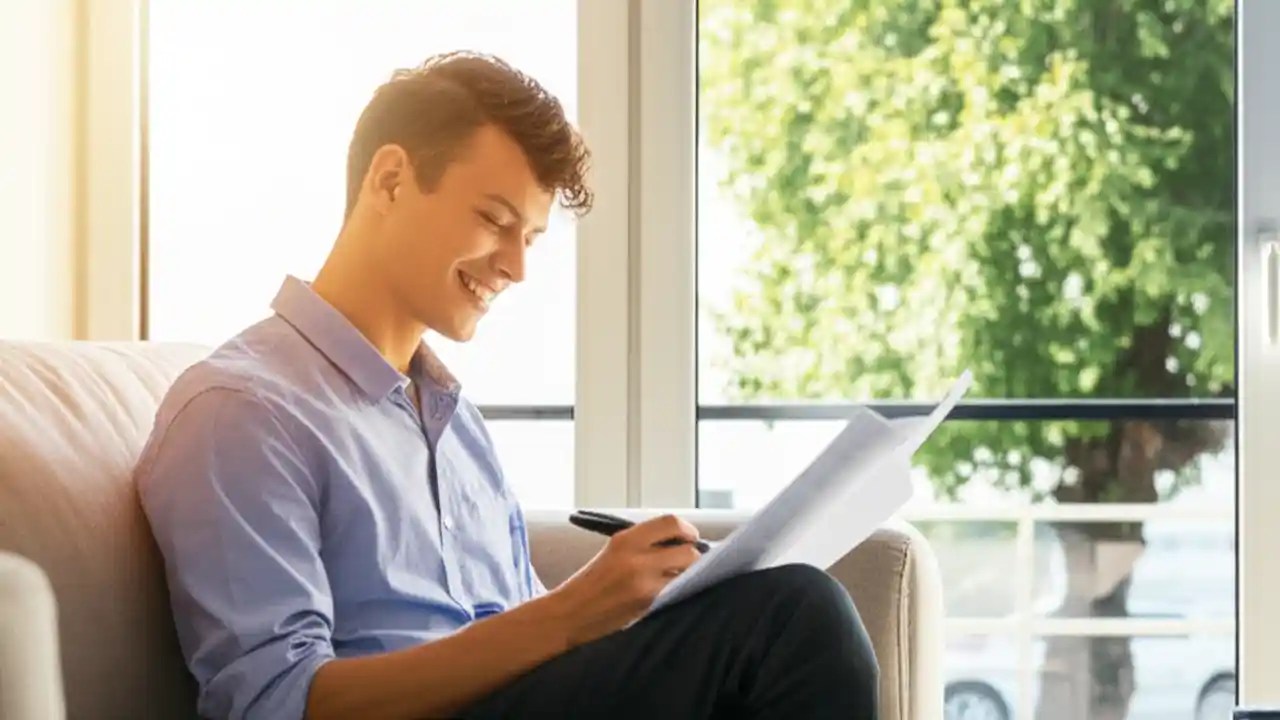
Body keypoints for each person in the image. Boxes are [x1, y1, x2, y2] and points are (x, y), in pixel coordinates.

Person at [135, 51, 879, 720]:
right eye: (495, 220)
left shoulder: (454, 423)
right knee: (793, 618)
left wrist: (635, 609)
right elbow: (277, 705)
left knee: (771, 608)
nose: (516, 267)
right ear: (390, 180)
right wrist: (569, 613)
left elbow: (522, 650)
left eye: (531, 237)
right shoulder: (241, 411)